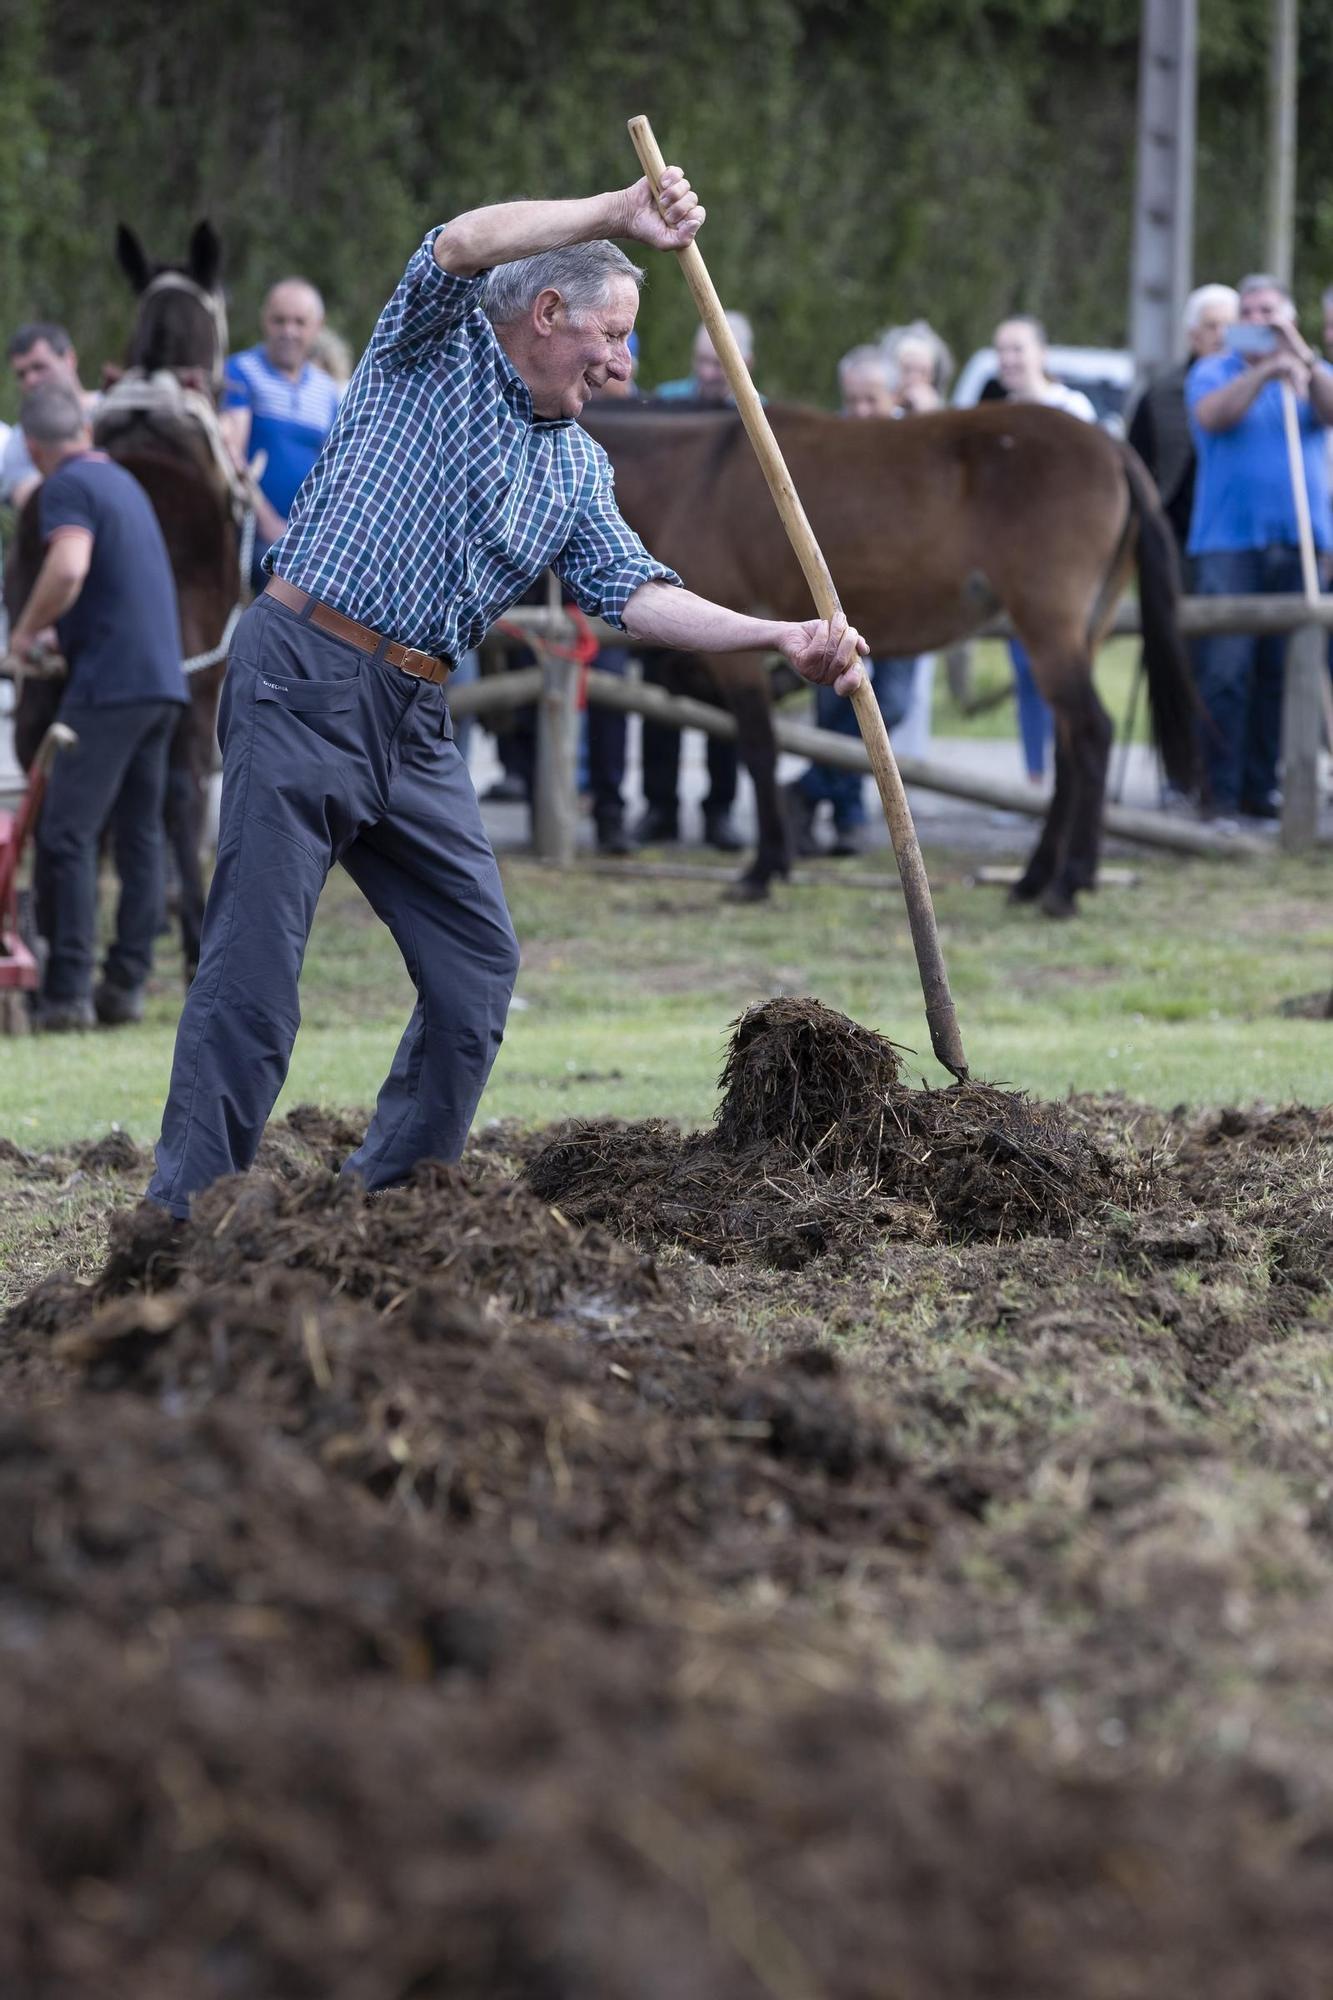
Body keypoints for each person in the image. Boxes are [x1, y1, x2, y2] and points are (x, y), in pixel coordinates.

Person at [145, 167, 866, 1219]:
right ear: (546, 314)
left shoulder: (574, 468)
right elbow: (459, 236)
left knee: (477, 968)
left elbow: (638, 593)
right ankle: (181, 1222)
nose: (624, 368)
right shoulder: (430, 350)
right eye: (612, 338)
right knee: (254, 981)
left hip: (414, 718)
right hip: (303, 677)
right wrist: (615, 213)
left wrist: (783, 635)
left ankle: (391, 1201)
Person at [8, 384, 187, 1030]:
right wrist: (63, 633)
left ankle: (67, 994)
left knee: (65, 832)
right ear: (82, 428)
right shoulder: (122, 484)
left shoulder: (66, 487)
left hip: (110, 686)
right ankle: (125, 984)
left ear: (33, 448)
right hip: (162, 683)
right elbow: (115, 587)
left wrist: (24, 634)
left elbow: (69, 568)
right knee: (140, 835)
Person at [1186, 272, 1333, 828]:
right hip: (1229, 544)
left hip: (1299, 542)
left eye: (1269, 312)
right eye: (1249, 313)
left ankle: (1260, 791)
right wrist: (1265, 370)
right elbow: (1214, 417)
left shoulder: (1311, 376)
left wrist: (1301, 361)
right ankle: (1218, 795)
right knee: (1227, 670)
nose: (1258, 322)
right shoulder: (1212, 372)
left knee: (1282, 672)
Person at [783, 346, 919, 857]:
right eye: (853, 400)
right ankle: (847, 816)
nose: (860, 412)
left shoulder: (914, 443)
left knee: (894, 702)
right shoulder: (832, 447)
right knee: (838, 700)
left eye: (871, 400)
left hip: (903, 598)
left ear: (895, 397)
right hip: (841, 598)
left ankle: (807, 790)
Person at [632, 310, 758, 848]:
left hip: (730, 576)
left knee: (725, 698)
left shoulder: (760, 418)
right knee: (660, 701)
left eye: (720, 362)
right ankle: (660, 807)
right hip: (667, 570)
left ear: (744, 363)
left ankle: (719, 811)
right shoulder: (665, 408)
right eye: (703, 361)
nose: (710, 373)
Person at [989, 316, 1097, 782]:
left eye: (1018, 349)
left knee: (1065, 670)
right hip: (1016, 565)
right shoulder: (998, 418)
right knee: (1025, 673)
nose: (1010, 360)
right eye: (1003, 351)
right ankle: (1035, 779)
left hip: (1063, 563)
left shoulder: (1073, 409)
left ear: (1041, 354)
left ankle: (1071, 773)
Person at [220, 279, 341, 587]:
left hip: (309, 537)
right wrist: (268, 522)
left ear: (317, 327)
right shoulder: (240, 371)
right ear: (265, 320)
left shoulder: (327, 392)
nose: (289, 331)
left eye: (299, 322)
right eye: (279, 321)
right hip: (252, 533)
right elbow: (231, 453)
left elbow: (337, 466)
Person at [1127, 284, 1239, 560]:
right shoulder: (1161, 394)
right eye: (1211, 326)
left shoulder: (1260, 389)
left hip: (1239, 535)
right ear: (1193, 334)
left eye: (1230, 326)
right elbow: (1137, 460)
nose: (1222, 335)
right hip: (1179, 534)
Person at [2, 323, 100, 511]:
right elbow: (35, 507)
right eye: (22, 374)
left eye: (39, 367)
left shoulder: (112, 410)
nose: (31, 380)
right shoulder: (21, 440)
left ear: (70, 359)